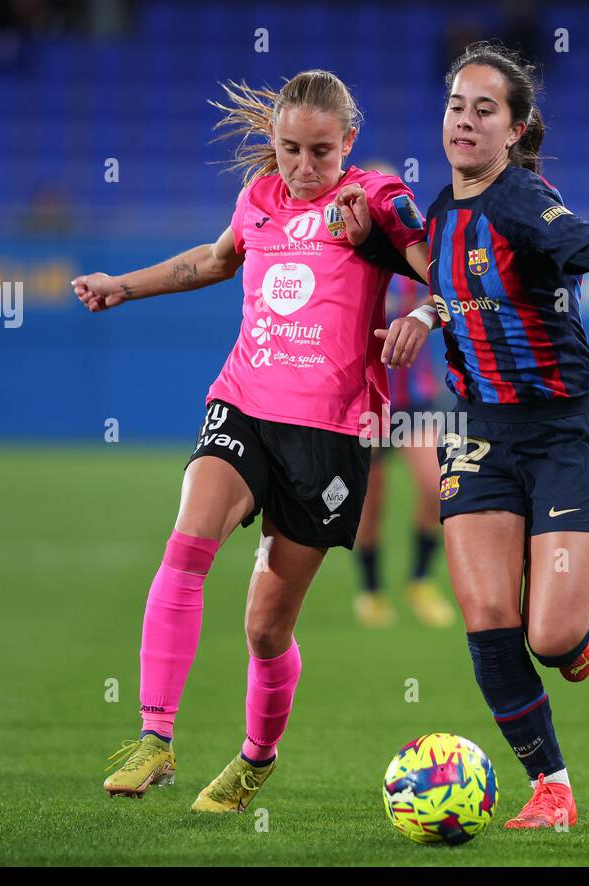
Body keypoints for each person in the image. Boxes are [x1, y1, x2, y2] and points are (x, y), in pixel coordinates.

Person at [353, 41, 589, 829]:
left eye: (485, 109)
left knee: (549, 635)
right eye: (455, 106)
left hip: (559, 432)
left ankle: (574, 634)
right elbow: (459, 290)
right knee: (485, 617)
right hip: (476, 429)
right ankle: (552, 788)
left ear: (514, 130)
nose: (465, 121)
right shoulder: (441, 216)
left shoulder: (524, 201)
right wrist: (423, 313)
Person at [73, 69, 430, 813]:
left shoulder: (377, 199)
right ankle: (156, 738)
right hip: (243, 402)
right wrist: (123, 285)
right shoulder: (259, 198)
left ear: (349, 144)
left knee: (266, 630)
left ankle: (255, 759)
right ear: (273, 143)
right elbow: (212, 260)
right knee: (188, 541)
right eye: (291, 149)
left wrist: (424, 316)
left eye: (321, 153)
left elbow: (443, 272)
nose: (304, 168)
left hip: (329, 433)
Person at [353, 267, 457, 630]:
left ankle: (420, 581)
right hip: (368, 403)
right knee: (370, 503)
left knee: (437, 485)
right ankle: (371, 590)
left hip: (416, 403)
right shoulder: (358, 273)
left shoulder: (418, 273)